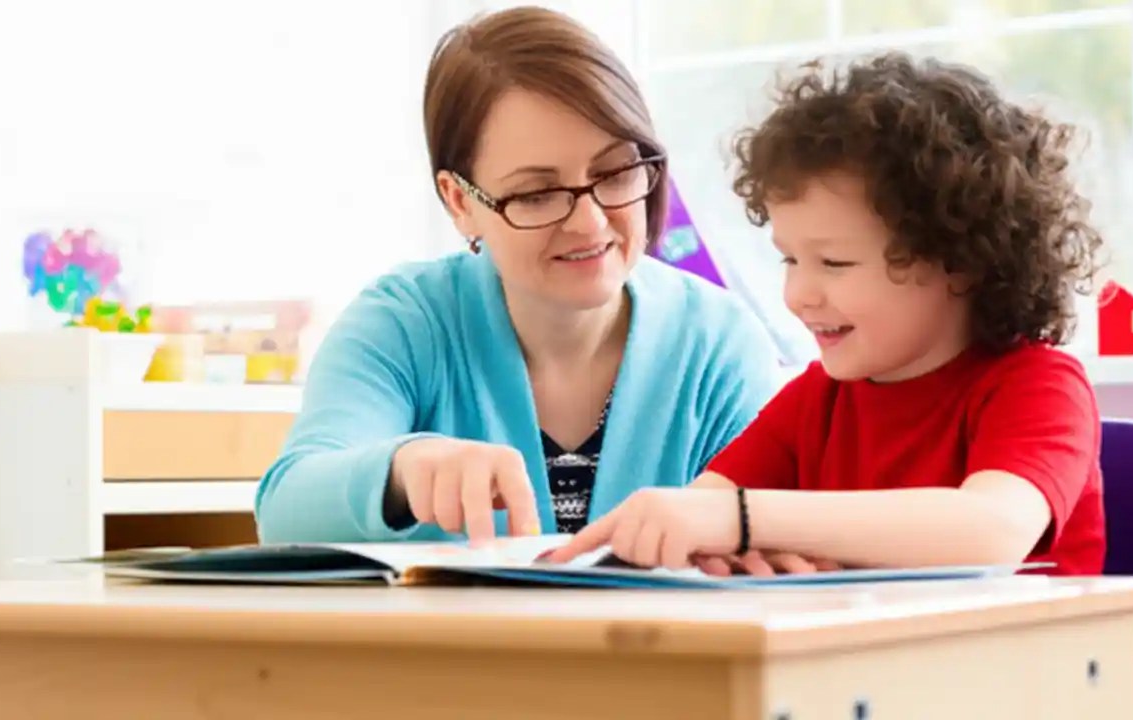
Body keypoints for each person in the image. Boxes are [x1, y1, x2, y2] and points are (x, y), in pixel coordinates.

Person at [549, 51, 1106, 576]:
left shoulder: (1039, 387)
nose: (797, 295)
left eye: (835, 262)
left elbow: (992, 531)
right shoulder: (815, 401)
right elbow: (703, 512)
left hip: (1018, 674)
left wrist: (741, 522)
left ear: (960, 262)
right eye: (791, 259)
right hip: (859, 674)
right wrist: (710, 544)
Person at [254, 6, 780, 543]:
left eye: (616, 172)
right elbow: (286, 509)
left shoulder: (719, 343)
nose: (590, 221)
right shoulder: (405, 323)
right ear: (459, 202)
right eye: (536, 194)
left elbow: (778, 533)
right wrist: (405, 469)